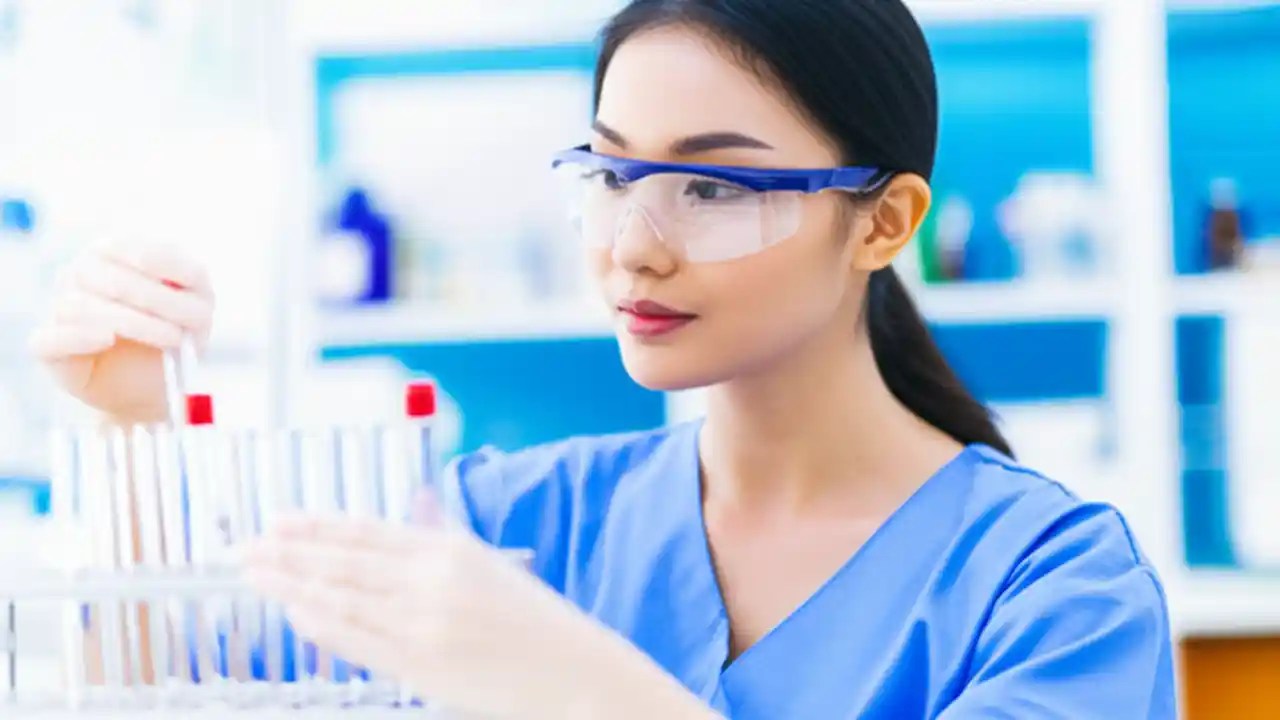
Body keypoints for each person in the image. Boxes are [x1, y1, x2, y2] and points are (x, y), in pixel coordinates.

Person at [31, 1, 1176, 717]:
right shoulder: (511, 521)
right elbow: (170, 668)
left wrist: (573, 685)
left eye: (713, 187)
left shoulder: (1056, 591)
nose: (631, 246)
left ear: (880, 223)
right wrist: (128, 425)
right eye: (611, 174)